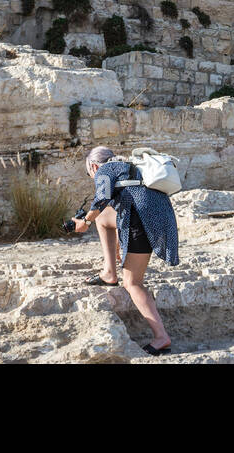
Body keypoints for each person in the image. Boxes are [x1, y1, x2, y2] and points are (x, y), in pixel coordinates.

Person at [71, 146, 179, 355]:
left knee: (133, 283)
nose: (91, 176)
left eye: (89, 173)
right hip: (158, 218)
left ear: (93, 166)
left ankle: (161, 337)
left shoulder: (104, 170)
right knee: (102, 218)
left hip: (143, 221)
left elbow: (101, 198)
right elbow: (123, 206)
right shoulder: (129, 167)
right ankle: (109, 273)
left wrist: (84, 221)